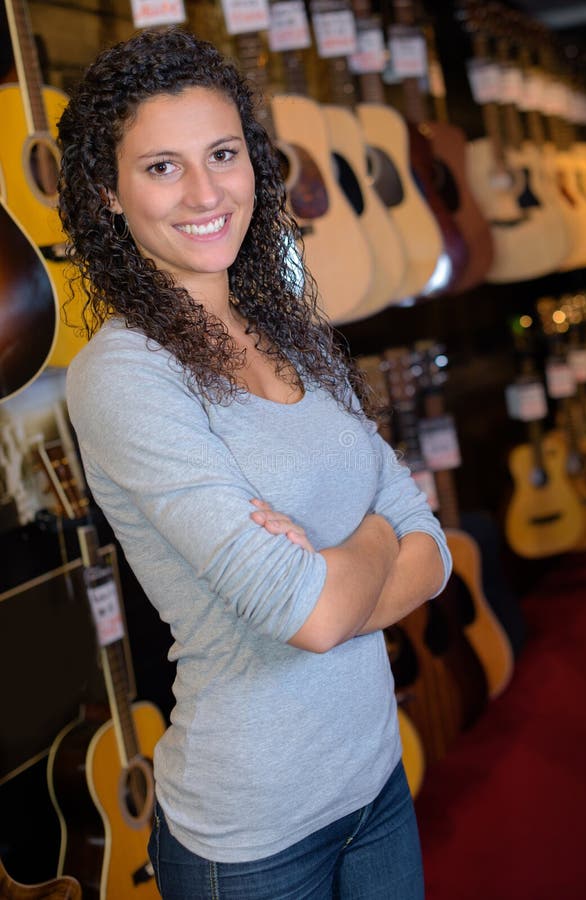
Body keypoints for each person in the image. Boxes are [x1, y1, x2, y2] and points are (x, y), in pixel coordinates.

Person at [59, 27, 451, 900]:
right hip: (256, 839)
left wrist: (352, 559)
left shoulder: (291, 334)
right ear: (107, 193)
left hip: (376, 781)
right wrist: (381, 540)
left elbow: (435, 547)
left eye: (223, 154)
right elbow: (307, 615)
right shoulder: (125, 376)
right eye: (161, 167)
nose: (205, 192)